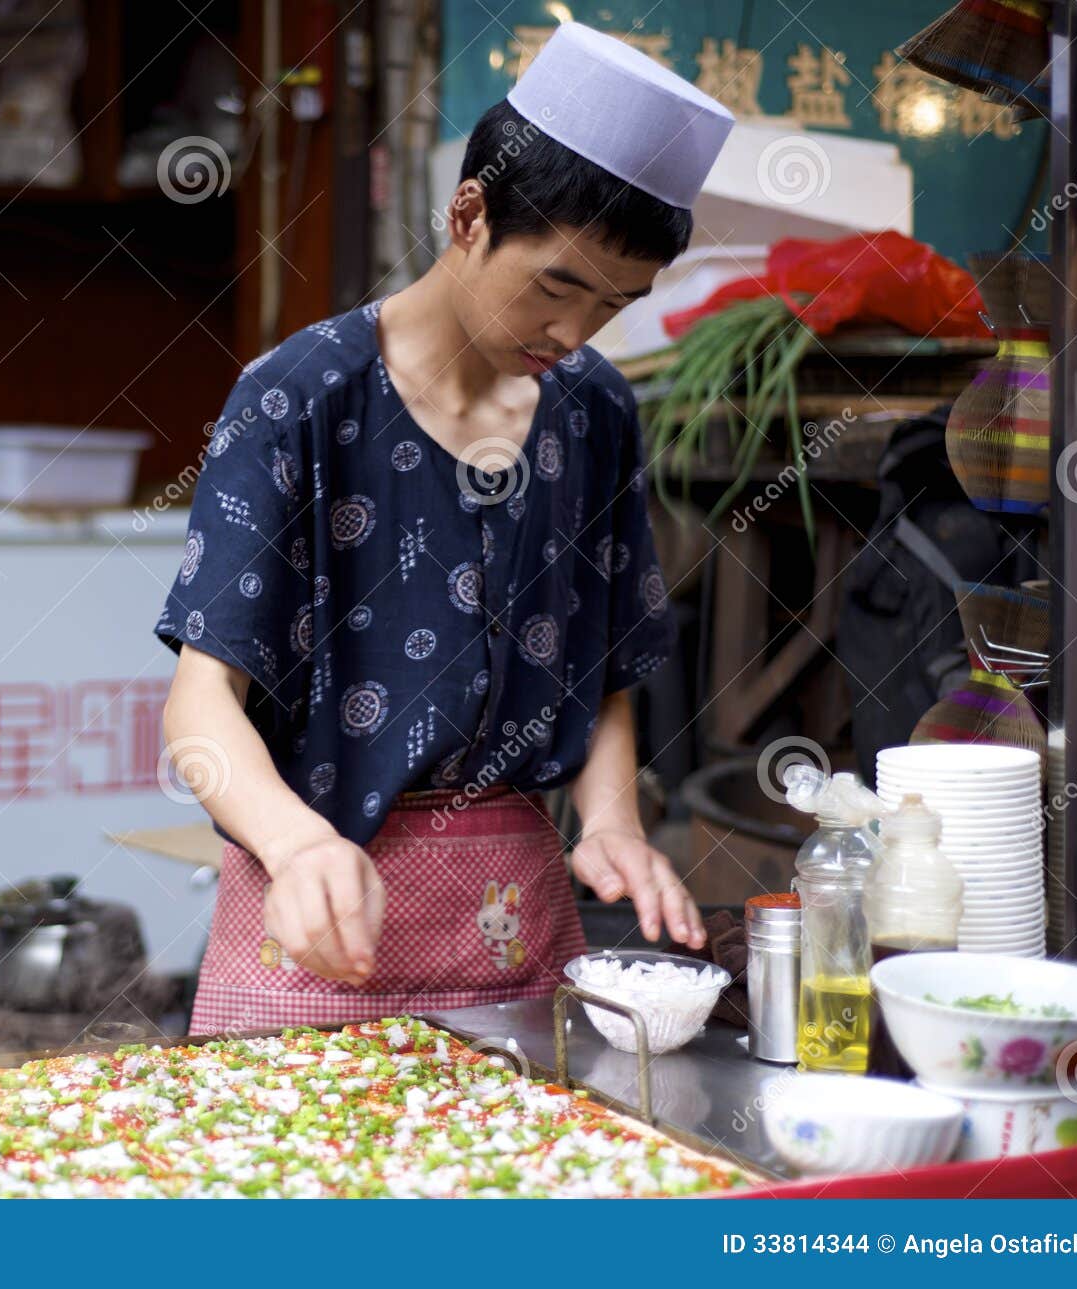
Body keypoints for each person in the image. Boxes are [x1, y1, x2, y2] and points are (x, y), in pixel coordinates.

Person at [153, 23, 735, 1032]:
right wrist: (295, 846)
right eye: (556, 284)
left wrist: (610, 818)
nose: (573, 331)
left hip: (514, 925)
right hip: (317, 909)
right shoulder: (300, 396)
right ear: (468, 213)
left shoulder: (593, 409)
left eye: (612, 302)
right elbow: (199, 712)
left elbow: (603, 663)